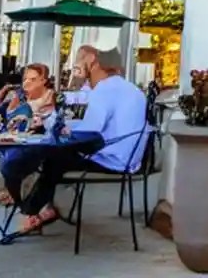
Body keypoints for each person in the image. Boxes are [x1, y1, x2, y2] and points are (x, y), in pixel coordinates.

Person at [17, 46, 149, 232]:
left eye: (79, 60)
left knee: (51, 157)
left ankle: (30, 212)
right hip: (130, 158)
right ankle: (43, 208)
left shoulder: (104, 90)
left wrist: (60, 130)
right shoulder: (130, 89)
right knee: (55, 157)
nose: (76, 66)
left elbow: (90, 132)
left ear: (92, 60)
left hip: (110, 159)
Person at [0, 64, 58, 207]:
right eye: (25, 79)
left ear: (43, 80)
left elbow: (49, 121)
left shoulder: (50, 96)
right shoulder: (19, 97)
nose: (27, 83)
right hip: (14, 139)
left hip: (36, 144)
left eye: (32, 79)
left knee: (9, 161)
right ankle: (13, 194)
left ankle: (18, 199)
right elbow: (6, 116)